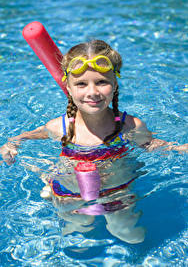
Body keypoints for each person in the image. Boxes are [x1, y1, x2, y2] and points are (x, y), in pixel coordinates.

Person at [0, 40, 187, 243]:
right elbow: (30, 134)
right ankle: (49, 180)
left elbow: (150, 145)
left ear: (115, 85)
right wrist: (11, 144)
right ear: (68, 88)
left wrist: (177, 148)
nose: (92, 92)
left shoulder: (128, 126)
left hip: (116, 192)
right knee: (77, 231)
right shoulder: (61, 127)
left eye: (101, 82)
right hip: (69, 192)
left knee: (130, 234)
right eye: (81, 84)